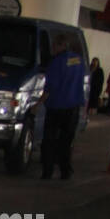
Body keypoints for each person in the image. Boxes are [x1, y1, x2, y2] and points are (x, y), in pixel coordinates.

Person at [40, 33, 85, 180]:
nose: (52, 48)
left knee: (49, 141)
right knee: (66, 141)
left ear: (60, 45)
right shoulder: (78, 60)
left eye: (54, 45)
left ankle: (48, 172)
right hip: (73, 107)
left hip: (56, 107)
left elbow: (49, 87)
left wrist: (37, 104)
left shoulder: (56, 62)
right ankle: (65, 171)